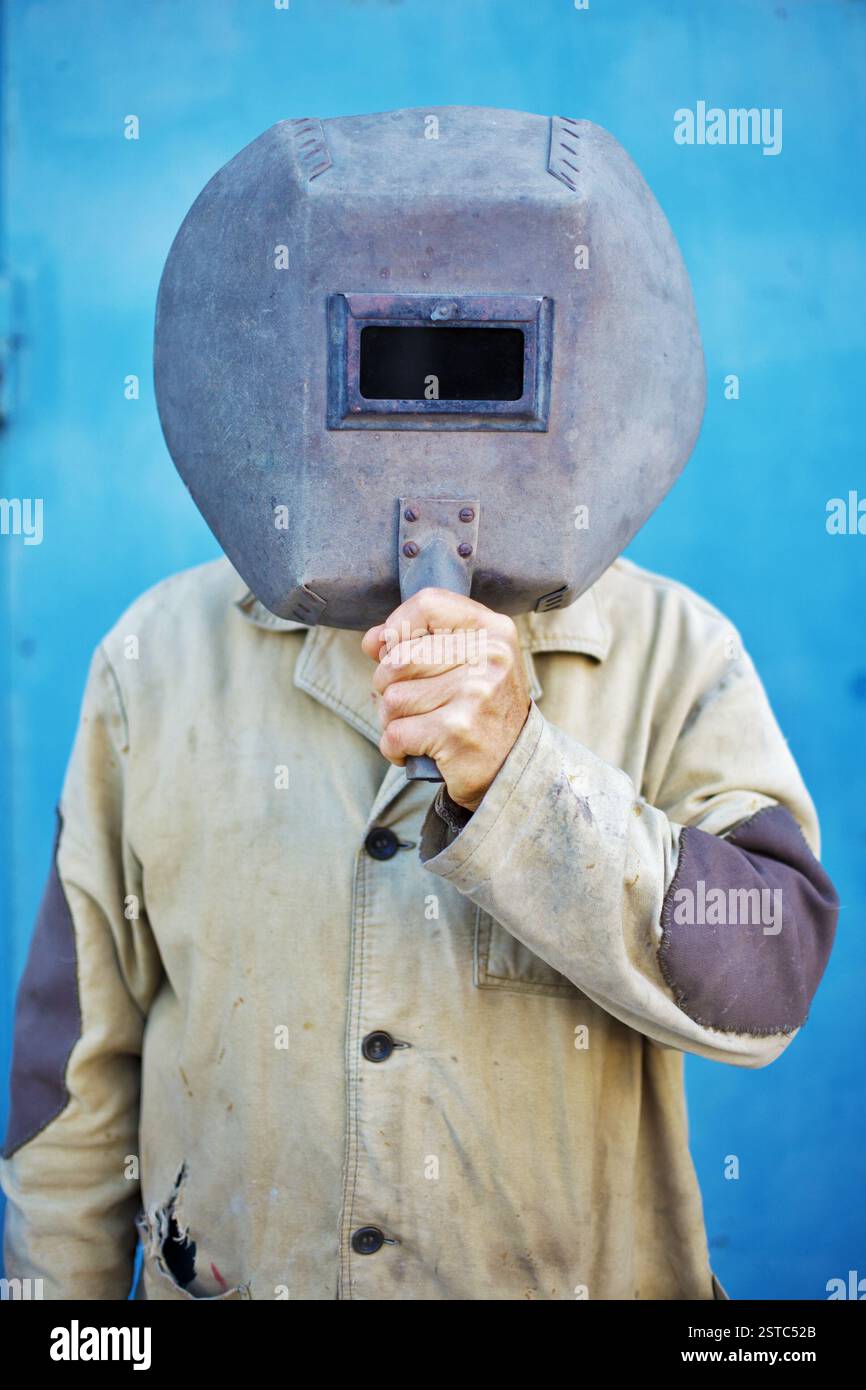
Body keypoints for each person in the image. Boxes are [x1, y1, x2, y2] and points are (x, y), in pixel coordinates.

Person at [0, 107, 839, 1300]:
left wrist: (525, 784)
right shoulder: (155, 662)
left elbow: (770, 975)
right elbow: (73, 1088)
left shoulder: (672, 649)